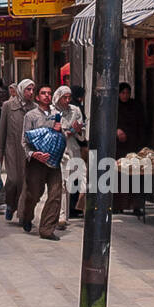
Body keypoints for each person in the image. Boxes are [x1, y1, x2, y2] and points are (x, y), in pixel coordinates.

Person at [19, 99, 64, 239]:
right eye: (43, 93)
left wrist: (60, 131)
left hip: (53, 160)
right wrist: (34, 154)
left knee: (56, 193)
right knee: (33, 194)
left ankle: (47, 229)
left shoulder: (57, 114)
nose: (46, 96)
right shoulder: (31, 116)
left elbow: (63, 137)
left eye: (49, 93)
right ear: (38, 97)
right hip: (36, 162)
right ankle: (26, 216)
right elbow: (25, 140)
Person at [0, 79, 36, 222]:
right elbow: (2, 129)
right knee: (13, 180)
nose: (31, 92)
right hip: (12, 149)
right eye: (28, 89)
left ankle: (23, 215)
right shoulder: (8, 106)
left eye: (33, 90)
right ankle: (10, 204)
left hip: (28, 151)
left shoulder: (34, 108)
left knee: (25, 183)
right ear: (21, 89)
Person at [53, 85, 87, 220]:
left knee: (82, 180)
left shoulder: (75, 110)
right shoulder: (52, 111)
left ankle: (84, 209)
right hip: (59, 150)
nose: (67, 100)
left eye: (69, 97)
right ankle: (62, 216)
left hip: (73, 149)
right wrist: (63, 133)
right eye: (64, 98)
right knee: (63, 184)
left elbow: (82, 135)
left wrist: (77, 130)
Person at [116, 82, 145, 158]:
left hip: (133, 142)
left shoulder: (135, 105)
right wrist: (117, 130)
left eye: (128, 93)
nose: (125, 95)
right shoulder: (114, 106)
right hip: (119, 143)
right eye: (123, 93)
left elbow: (140, 124)